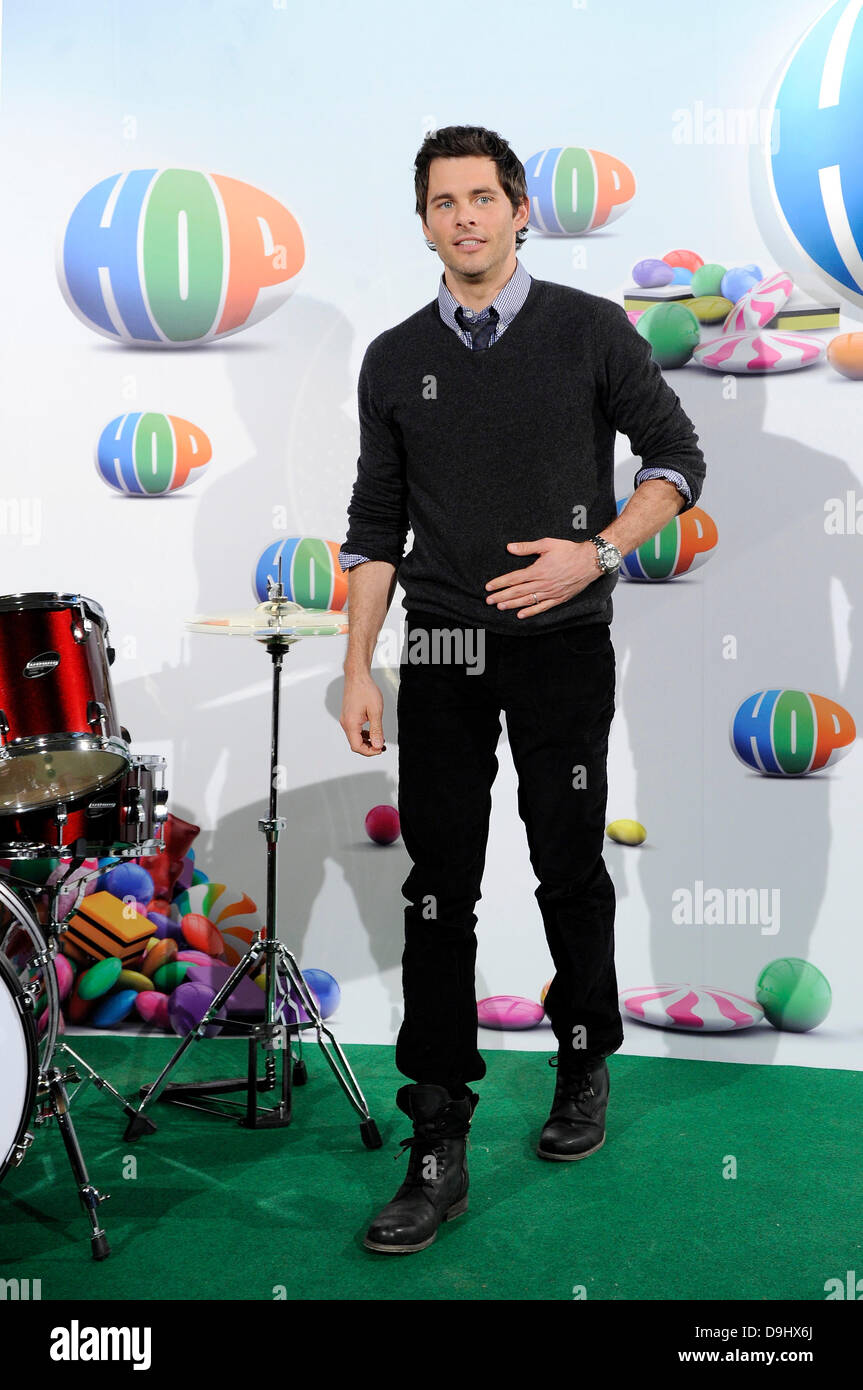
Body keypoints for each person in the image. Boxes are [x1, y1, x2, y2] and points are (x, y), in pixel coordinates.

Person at [338, 125, 706, 1255]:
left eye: (482, 198)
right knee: (438, 889)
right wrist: (357, 663)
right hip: (442, 648)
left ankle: (582, 1056)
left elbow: (676, 462)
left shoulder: (588, 329)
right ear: (423, 221)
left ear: (517, 211)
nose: (463, 218)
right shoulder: (394, 358)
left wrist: (591, 552)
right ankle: (437, 1132)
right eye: (442, 202)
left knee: (566, 864)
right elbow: (372, 524)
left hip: (561, 642)